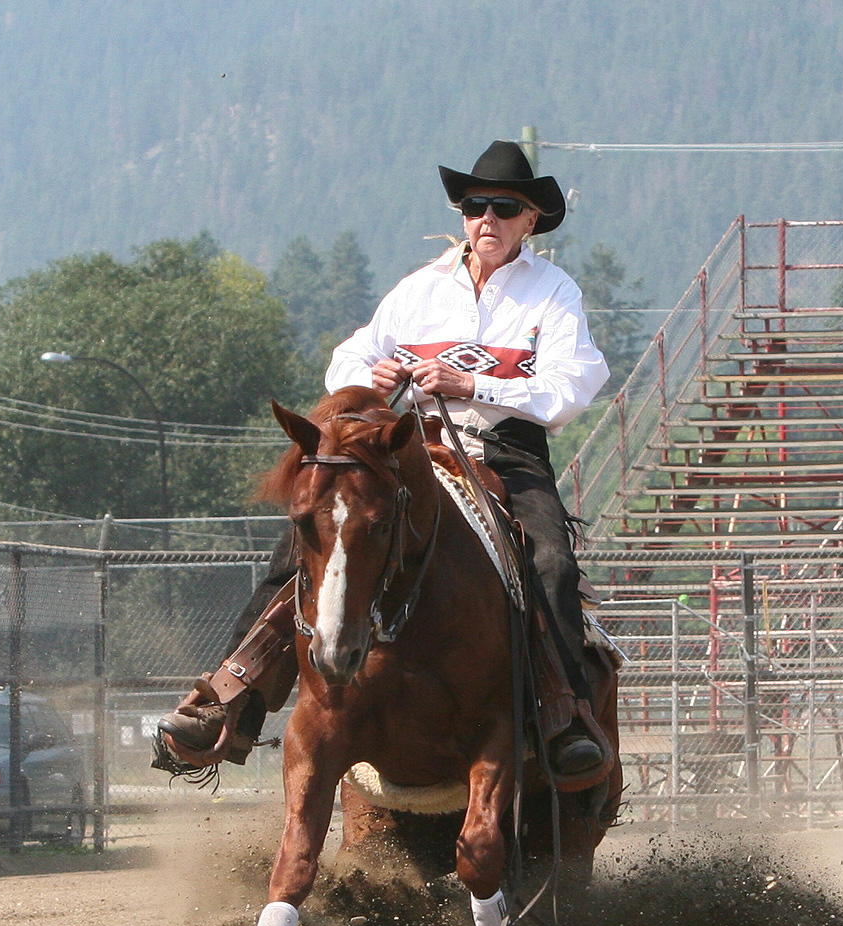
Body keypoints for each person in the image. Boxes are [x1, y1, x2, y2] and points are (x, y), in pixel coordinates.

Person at [157, 140, 610, 778]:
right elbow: (346, 360)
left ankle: (565, 716)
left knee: (553, 562)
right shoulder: (418, 290)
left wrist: (473, 386)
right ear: (462, 213)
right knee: (305, 545)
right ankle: (232, 702)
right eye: (476, 204)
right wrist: (375, 377)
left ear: (531, 219)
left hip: (506, 452)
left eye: (504, 207)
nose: (487, 218)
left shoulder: (554, 294)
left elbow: (574, 385)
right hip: (407, 451)